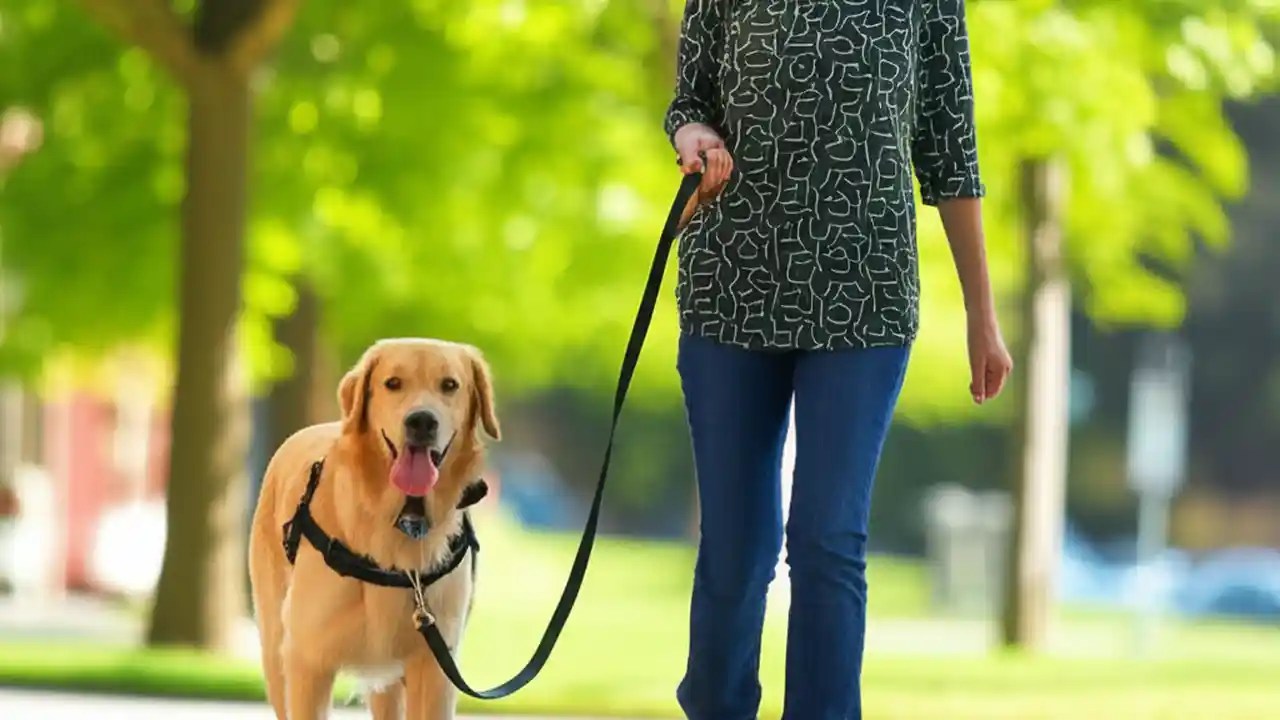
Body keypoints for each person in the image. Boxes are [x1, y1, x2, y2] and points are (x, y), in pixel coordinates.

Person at [663, 1, 1013, 718]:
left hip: (866, 297)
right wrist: (692, 135)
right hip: (733, 286)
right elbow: (691, 101)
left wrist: (982, 314)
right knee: (736, 544)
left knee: (827, 538)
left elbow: (951, 150)